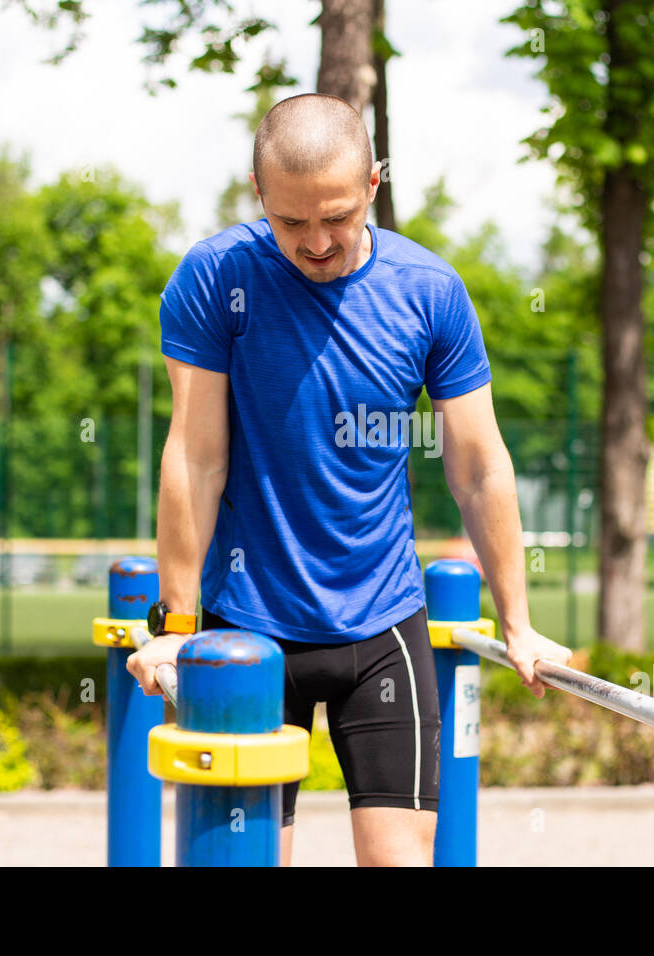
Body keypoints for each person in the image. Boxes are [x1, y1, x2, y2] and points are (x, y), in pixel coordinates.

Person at [126, 93, 571, 867]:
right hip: (247, 630)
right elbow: (196, 457)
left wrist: (519, 621)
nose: (317, 243)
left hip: (382, 626)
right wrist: (175, 628)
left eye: (335, 216)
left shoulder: (428, 292)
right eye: (291, 222)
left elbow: (476, 465)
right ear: (258, 192)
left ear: (373, 182)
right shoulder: (215, 277)